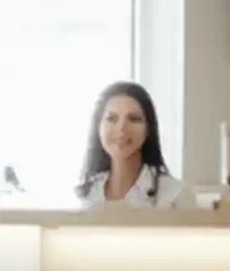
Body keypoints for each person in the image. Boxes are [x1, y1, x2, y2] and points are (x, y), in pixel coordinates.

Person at [77, 81, 197, 209]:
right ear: (98, 128)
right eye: (111, 119)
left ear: (148, 129)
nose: (122, 128)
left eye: (134, 119)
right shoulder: (87, 194)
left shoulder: (176, 195)